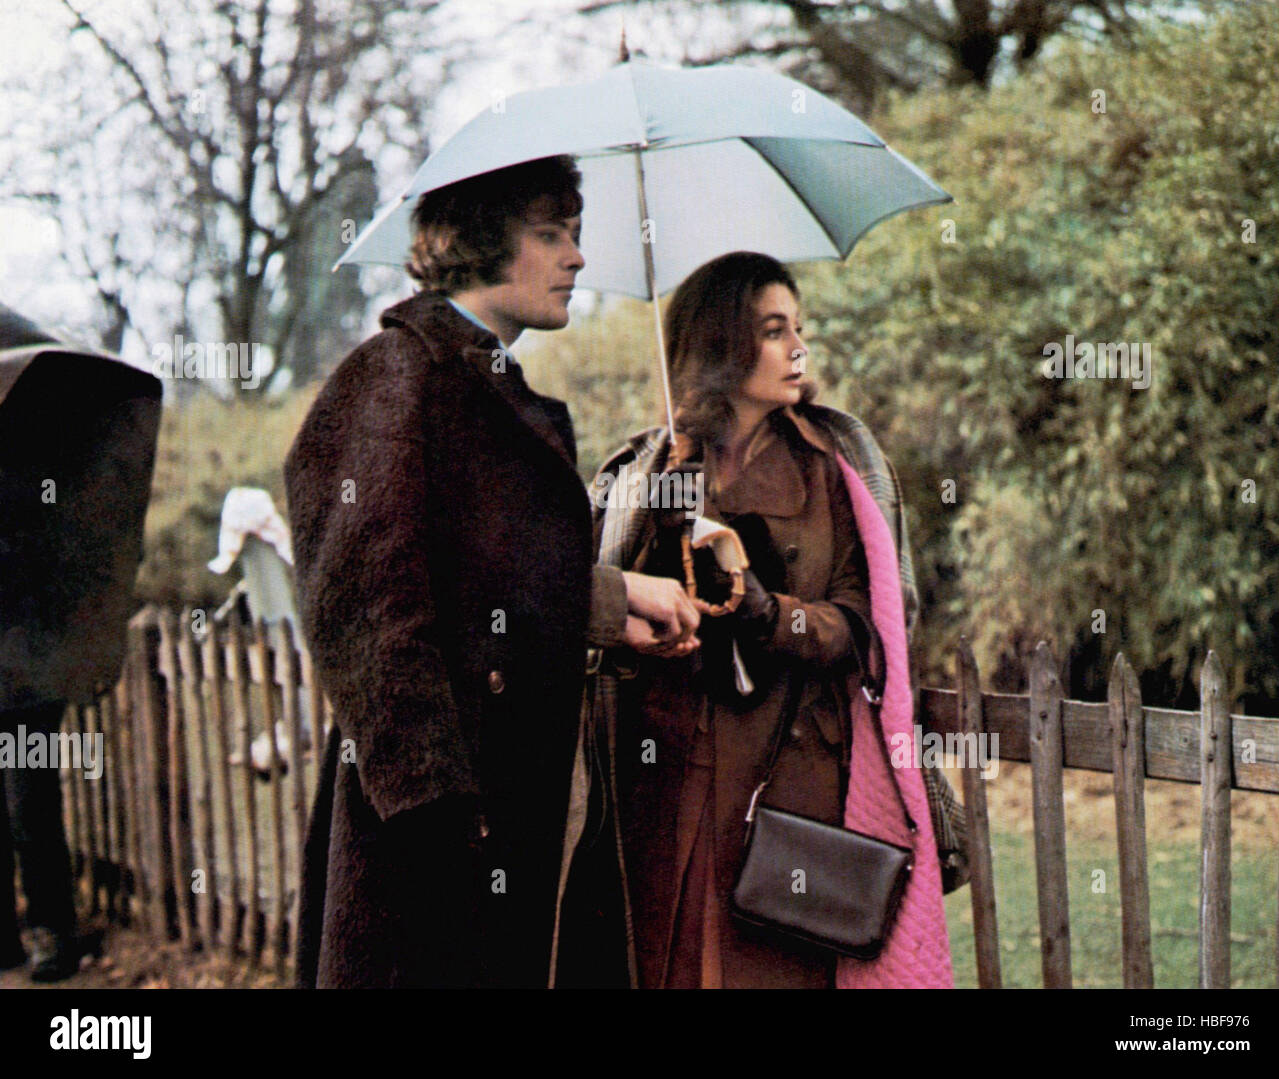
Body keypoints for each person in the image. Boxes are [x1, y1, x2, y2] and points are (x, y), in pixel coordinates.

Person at [286, 155, 699, 989]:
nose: (577, 258)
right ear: (478, 241)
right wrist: (438, 811)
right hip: (429, 828)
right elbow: (362, 605)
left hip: (505, 806)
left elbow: (490, 578)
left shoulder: (490, 383)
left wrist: (614, 598)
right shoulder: (397, 374)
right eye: (551, 235)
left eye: (576, 236)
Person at [591, 252, 953, 988]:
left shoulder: (831, 463)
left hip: (791, 777)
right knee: (676, 964)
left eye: (799, 328)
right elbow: (611, 612)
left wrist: (762, 606)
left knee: (774, 967)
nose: (798, 348)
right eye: (772, 330)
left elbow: (863, 626)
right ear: (721, 344)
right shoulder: (656, 467)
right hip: (671, 773)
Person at [0, 302, 162, 981]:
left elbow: (71, 538)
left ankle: (52, 930)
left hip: (30, 644)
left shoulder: (42, 444)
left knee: (29, 792)